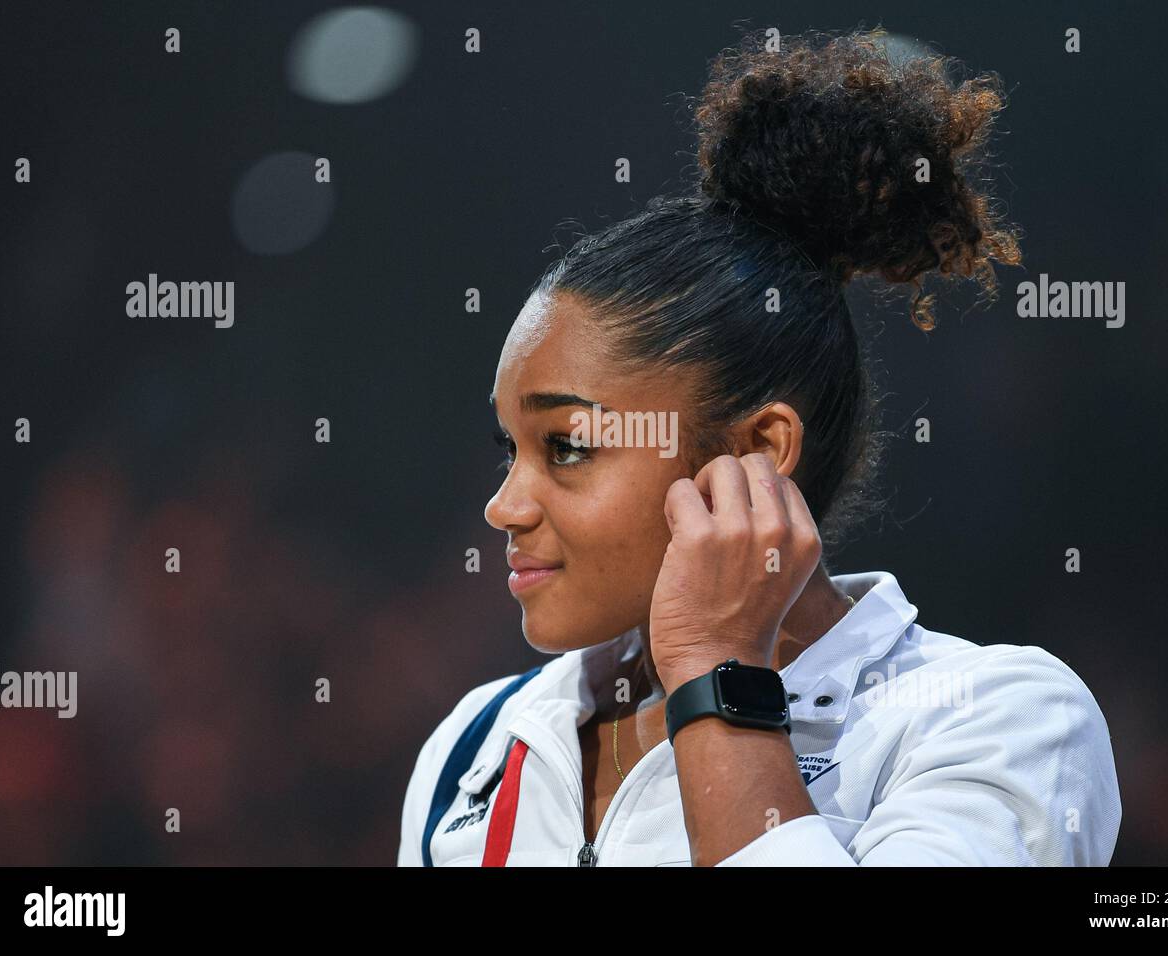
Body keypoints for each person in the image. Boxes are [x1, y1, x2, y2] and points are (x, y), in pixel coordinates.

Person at [397, 26, 1121, 866]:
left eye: (567, 446)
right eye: (510, 449)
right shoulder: (473, 747)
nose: (505, 504)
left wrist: (718, 671)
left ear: (758, 451)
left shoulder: (992, 719)